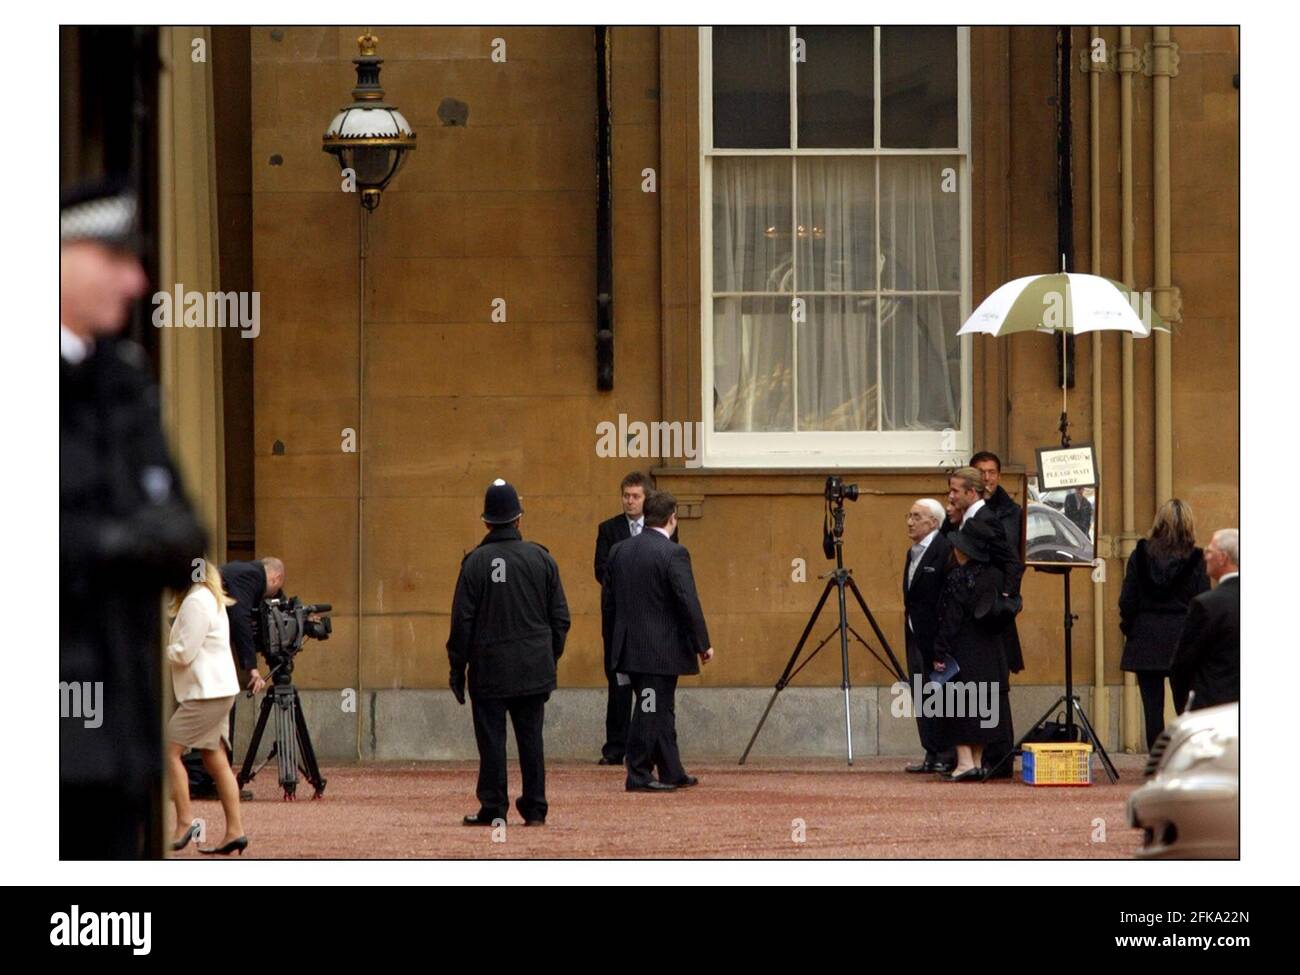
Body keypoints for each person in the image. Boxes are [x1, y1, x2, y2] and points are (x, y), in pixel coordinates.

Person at [61, 178, 206, 858]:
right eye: (116, 258)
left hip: (117, 733)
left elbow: (185, 535)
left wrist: (97, 544)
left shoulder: (122, 378)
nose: (136, 279)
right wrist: (119, 542)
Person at [447, 479, 570, 826]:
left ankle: (494, 806)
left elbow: (462, 624)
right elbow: (560, 618)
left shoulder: (475, 563)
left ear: (487, 522)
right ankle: (534, 807)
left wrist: (458, 667)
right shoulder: (542, 559)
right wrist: (549, 655)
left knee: (492, 742)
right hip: (533, 666)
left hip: (489, 668)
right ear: (519, 519)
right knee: (532, 740)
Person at [602, 490, 712, 792]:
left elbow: (609, 601)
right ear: (672, 518)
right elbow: (687, 601)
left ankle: (671, 769)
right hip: (659, 649)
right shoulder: (673, 553)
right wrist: (702, 642)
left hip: (628, 645)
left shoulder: (619, 551)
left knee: (659, 708)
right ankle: (638, 772)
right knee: (650, 708)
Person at [165, 560, 248, 855]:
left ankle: (185, 821)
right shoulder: (206, 598)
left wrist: (157, 650)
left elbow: (184, 652)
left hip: (206, 693)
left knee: (168, 751)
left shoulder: (196, 602)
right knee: (214, 759)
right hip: (215, 690)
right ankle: (235, 831)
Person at [593, 471, 675, 766]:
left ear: (647, 498)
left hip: (652, 623)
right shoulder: (609, 529)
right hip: (618, 622)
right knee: (619, 686)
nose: (630, 501)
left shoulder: (665, 528)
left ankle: (651, 748)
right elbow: (601, 571)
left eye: (636, 496)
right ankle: (615, 747)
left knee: (651, 688)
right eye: (626, 496)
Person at [947, 465, 1023, 777]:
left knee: (975, 685)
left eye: (955, 490)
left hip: (982, 617)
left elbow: (1011, 563)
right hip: (975, 613)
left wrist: (1002, 599)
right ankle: (976, 761)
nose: (950, 495)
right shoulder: (969, 519)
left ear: (971, 492)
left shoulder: (984, 520)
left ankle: (982, 760)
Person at [1119, 499, 1210, 748]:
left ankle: (1157, 763)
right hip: (1183, 637)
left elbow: (1127, 600)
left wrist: (1130, 627)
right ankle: (1185, 759)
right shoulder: (1197, 558)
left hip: (1146, 634)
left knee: (1152, 709)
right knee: (1186, 708)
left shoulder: (1140, 555)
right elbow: (1202, 603)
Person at [931, 521, 1008, 782]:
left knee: (958, 706)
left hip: (963, 650)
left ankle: (964, 763)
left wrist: (939, 651)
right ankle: (976, 760)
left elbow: (950, 620)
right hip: (991, 651)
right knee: (983, 708)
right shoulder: (996, 576)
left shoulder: (957, 577)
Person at [902, 499, 954, 773]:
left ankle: (946, 751)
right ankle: (931, 751)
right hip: (914, 633)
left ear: (933, 522)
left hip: (935, 637)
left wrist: (941, 642)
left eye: (917, 516)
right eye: (909, 516)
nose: (910, 522)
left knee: (940, 693)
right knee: (919, 691)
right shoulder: (912, 552)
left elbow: (944, 599)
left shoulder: (944, 550)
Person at [1171, 529, 1239, 713]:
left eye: (1210, 551)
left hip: (1213, 709)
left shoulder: (1207, 605)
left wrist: (1185, 709)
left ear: (1223, 558)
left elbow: (1183, 666)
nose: (1205, 556)